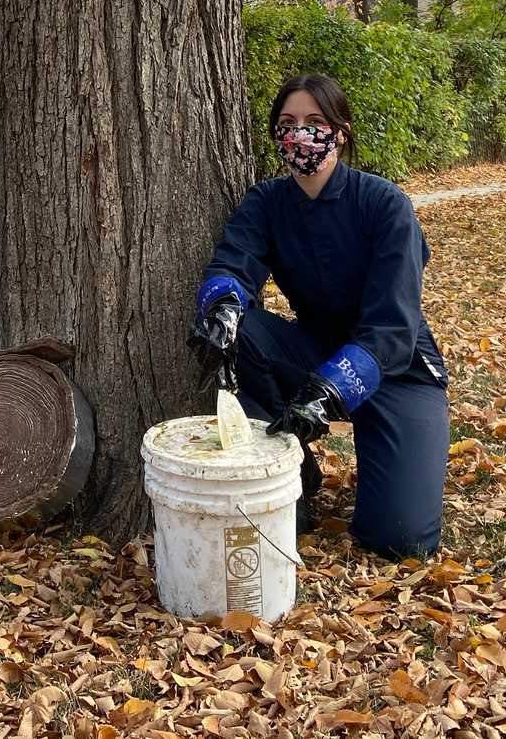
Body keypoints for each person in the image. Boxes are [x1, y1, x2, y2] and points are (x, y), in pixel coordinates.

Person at [189, 73, 449, 558]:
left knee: (400, 538)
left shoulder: (385, 203)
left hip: (397, 368)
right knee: (237, 331)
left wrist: (335, 386)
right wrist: (221, 305)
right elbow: (234, 263)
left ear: (341, 132)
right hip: (312, 349)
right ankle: (291, 464)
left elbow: (395, 324)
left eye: (314, 121)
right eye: (287, 123)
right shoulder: (266, 202)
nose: (299, 133)